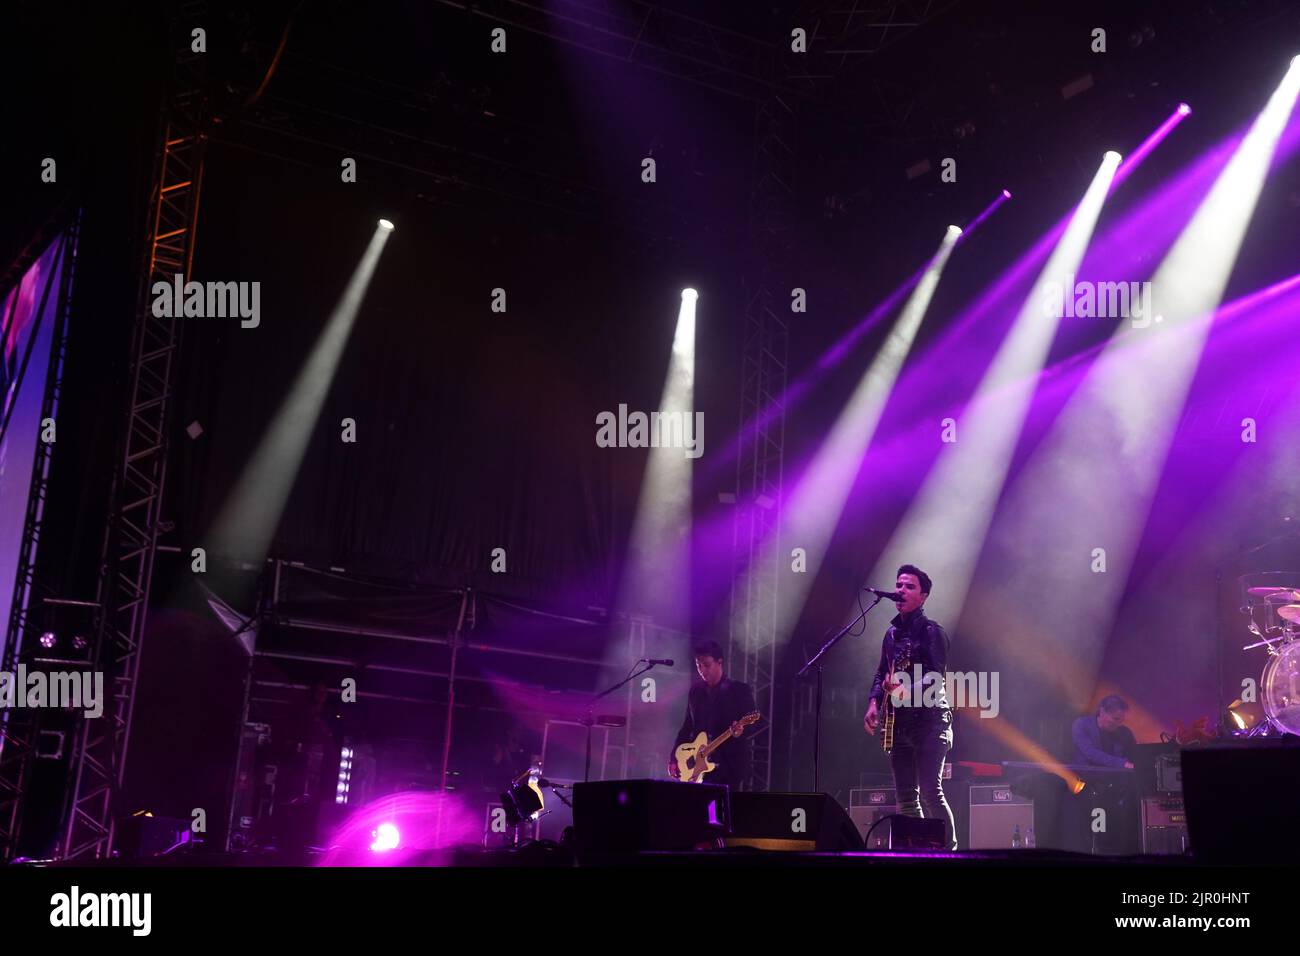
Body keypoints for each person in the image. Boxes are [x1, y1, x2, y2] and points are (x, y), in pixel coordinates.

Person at [864, 564, 958, 850]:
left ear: (924, 596)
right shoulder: (891, 635)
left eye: (909, 586)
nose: (901, 590)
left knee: (932, 792)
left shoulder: (932, 631)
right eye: (899, 585)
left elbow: (935, 676)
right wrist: (873, 702)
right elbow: (881, 673)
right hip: (898, 723)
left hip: (930, 720)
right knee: (906, 796)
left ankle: (949, 850)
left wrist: (907, 691)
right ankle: (918, 851)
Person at [668, 640, 757, 790]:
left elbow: (754, 723)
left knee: (724, 811)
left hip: (729, 767)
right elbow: (687, 726)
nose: (702, 670)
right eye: (698, 665)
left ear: (719, 662)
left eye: (707, 665)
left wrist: (740, 731)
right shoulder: (695, 692)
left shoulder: (739, 690)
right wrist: (674, 758)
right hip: (699, 766)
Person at [1072, 695, 1136, 769]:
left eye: (1121, 720)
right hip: (1083, 777)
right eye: (1116, 719)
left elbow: (1135, 756)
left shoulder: (1125, 733)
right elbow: (1090, 753)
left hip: (1114, 778)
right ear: (1102, 712)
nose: (1119, 724)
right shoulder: (1082, 724)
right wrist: (1122, 763)